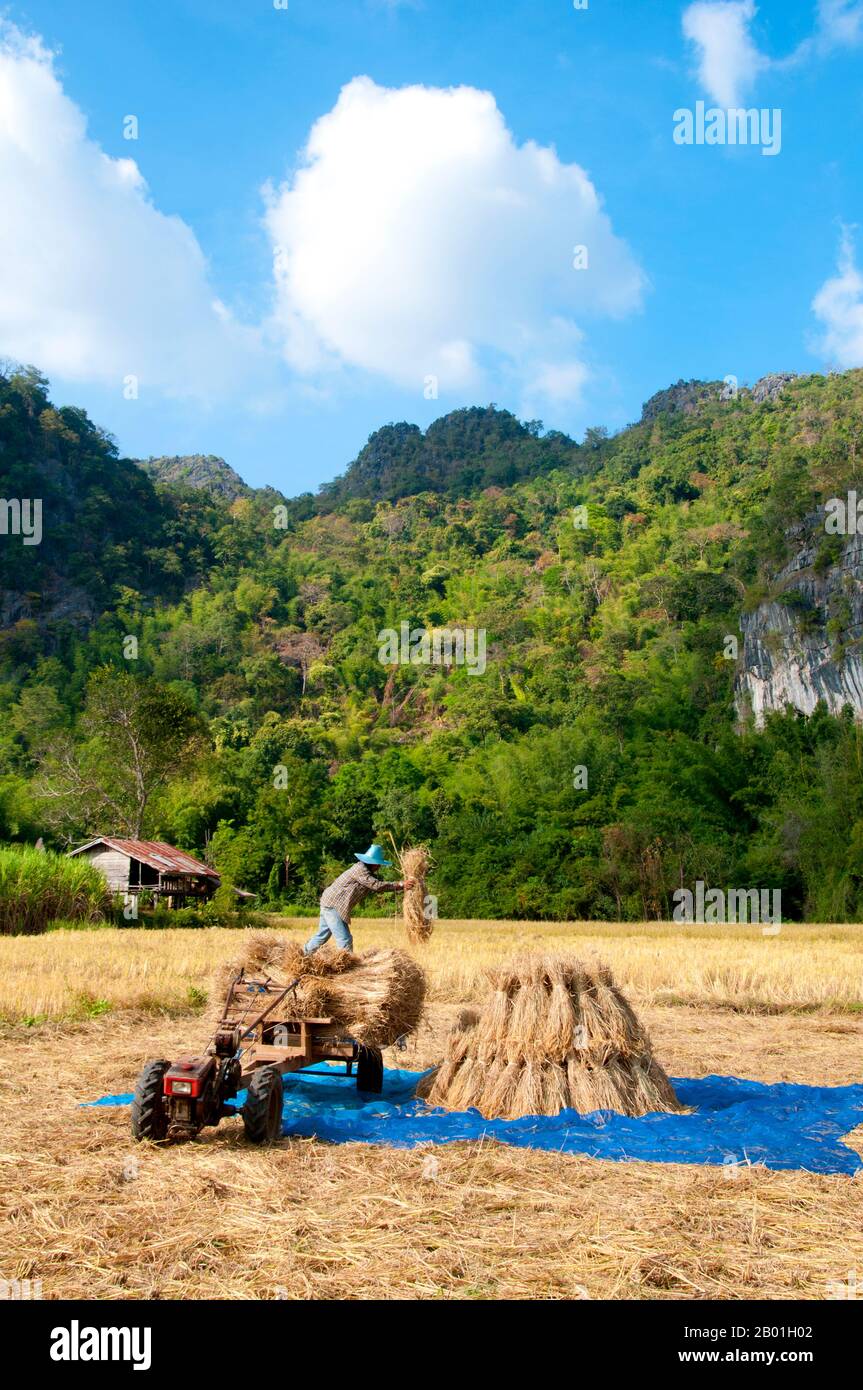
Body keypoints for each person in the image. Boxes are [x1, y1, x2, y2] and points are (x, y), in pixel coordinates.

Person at [303, 844, 415, 954]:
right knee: (345, 940)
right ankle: (346, 966)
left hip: (328, 903)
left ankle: (303, 954)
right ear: (372, 863)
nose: (379, 867)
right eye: (378, 864)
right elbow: (376, 886)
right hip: (333, 905)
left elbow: (376, 886)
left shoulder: (365, 871)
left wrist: (400, 886)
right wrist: (400, 884)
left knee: (322, 935)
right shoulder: (360, 869)